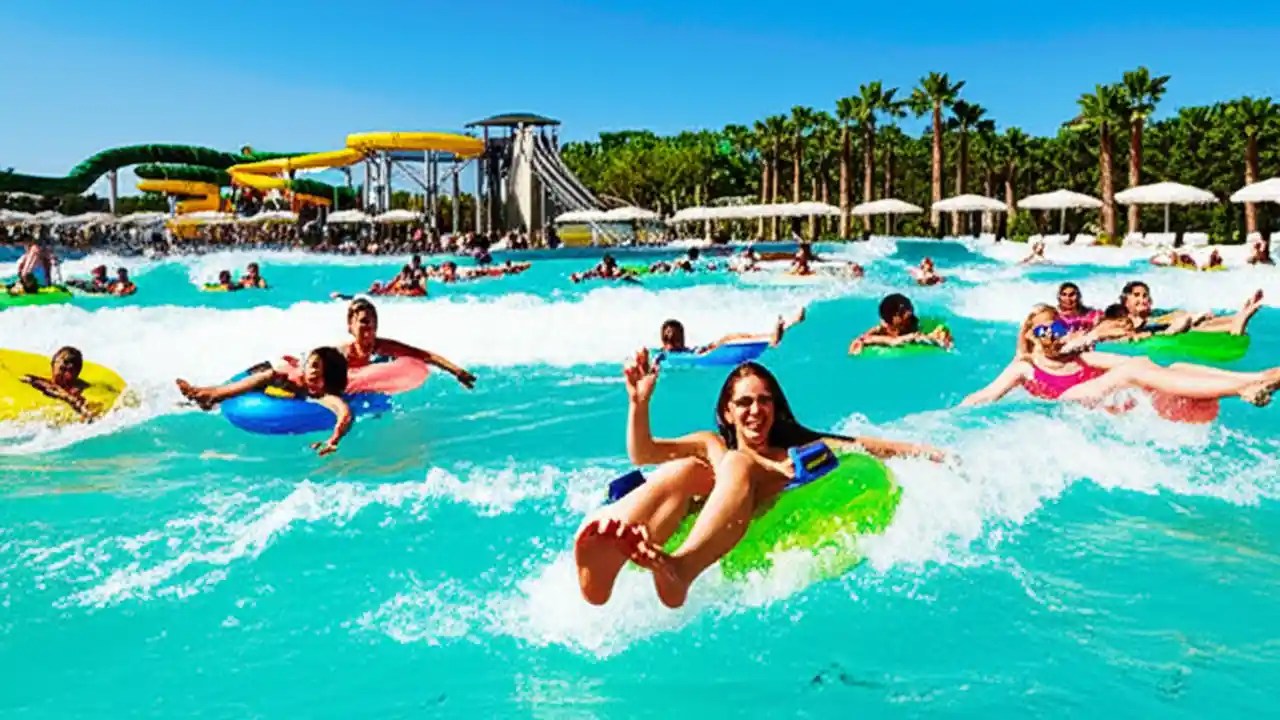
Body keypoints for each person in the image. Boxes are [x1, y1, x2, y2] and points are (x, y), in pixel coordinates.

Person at [573, 353, 945, 608]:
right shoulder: (711, 443)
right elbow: (643, 454)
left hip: (755, 513)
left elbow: (862, 447)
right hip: (704, 514)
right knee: (686, 469)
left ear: (776, 408)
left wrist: (926, 453)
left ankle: (681, 569)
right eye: (745, 403)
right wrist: (639, 403)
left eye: (764, 401)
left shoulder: (796, 452)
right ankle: (607, 561)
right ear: (727, 411)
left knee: (735, 464)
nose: (755, 410)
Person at [961, 305, 1280, 415]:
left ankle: (1257, 377)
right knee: (1131, 371)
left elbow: (1144, 366)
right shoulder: (1025, 366)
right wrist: (956, 414)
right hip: (1066, 406)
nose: (1053, 334)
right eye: (1043, 329)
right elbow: (986, 394)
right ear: (1030, 335)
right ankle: (1243, 388)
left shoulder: (1083, 356)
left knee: (1172, 368)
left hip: (1098, 404)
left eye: (1058, 326)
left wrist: (1088, 343)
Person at [176, 347, 353, 456]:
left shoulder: (323, 396)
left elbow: (343, 412)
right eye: (313, 365)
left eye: (322, 372)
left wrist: (334, 440)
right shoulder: (293, 378)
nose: (314, 372)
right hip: (262, 381)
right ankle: (208, 395)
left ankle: (209, 396)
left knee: (272, 376)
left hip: (273, 394)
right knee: (271, 374)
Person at [340, 298, 476, 387]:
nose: (369, 325)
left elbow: (425, 356)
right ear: (350, 325)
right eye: (363, 321)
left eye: (373, 321)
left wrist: (456, 371)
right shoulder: (342, 355)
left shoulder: (384, 348)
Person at [1119, 281, 1262, 336]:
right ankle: (1237, 323)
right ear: (1125, 302)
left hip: (1166, 328)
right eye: (1136, 295)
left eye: (1145, 295)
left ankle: (1237, 318)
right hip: (1160, 334)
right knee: (1189, 323)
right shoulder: (1124, 319)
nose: (1143, 299)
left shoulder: (1155, 314)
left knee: (1197, 322)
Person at [657, 308, 806, 359]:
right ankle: (774, 338)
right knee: (727, 341)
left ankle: (784, 328)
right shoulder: (661, 355)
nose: (676, 342)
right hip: (699, 355)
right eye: (672, 339)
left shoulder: (667, 352)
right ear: (664, 341)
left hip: (697, 351)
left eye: (678, 338)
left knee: (730, 337)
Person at [849, 293, 952, 355]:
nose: (909, 313)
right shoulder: (883, 328)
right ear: (891, 319)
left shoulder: (915, 323)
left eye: (909, 307)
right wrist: (892, 340)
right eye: (902, 312)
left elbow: (940, 332)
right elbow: (862, 339)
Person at [20, 346, 100, 421]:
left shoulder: (76, 390)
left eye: (69, 370)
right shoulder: (45, 382)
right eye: (62, 369)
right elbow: (25, 378)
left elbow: (85, 408)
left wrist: (66, 396)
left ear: (77, 374)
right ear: (52, 365)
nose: (64, 374)